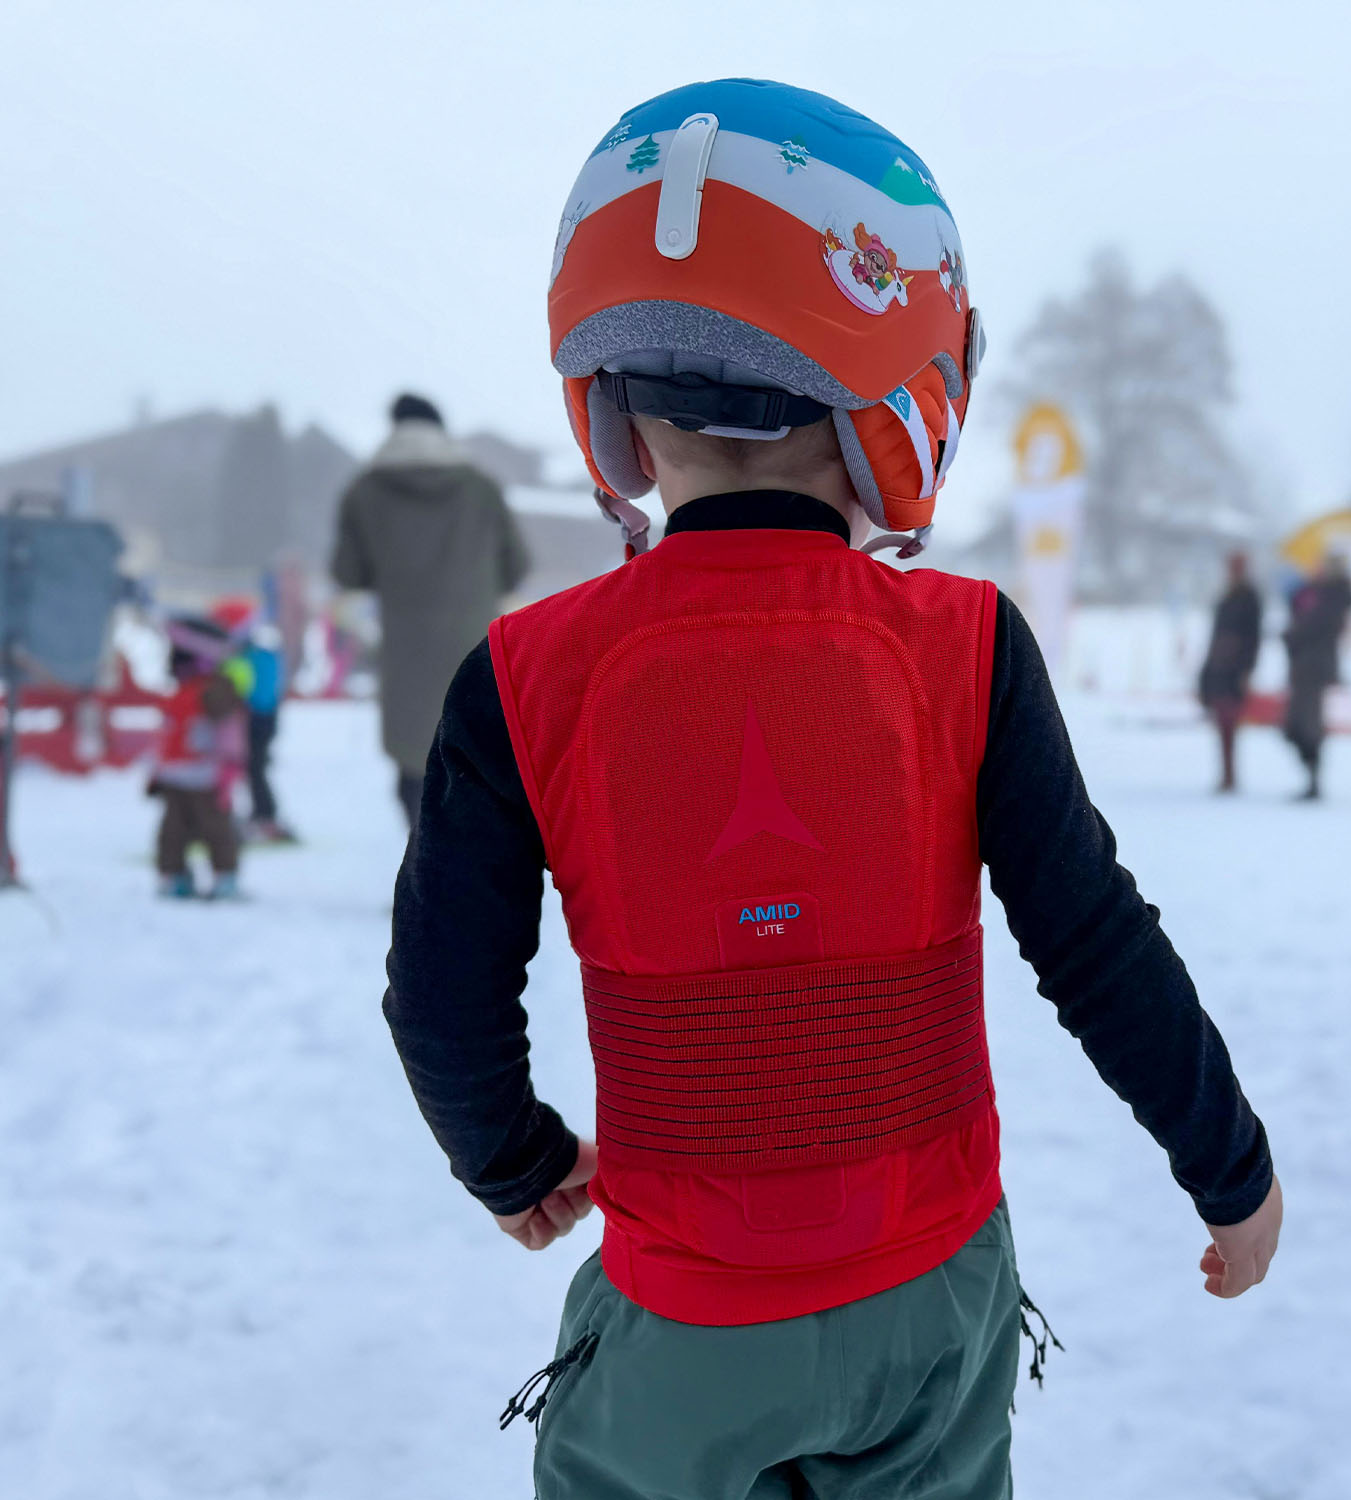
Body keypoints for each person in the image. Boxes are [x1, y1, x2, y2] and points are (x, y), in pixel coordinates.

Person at [381, 80, 1280, 1500]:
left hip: (681, 1318)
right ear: (908, 383)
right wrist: (1228, 1164)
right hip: (927, 1304)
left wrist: (511, 1157)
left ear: (611, 401)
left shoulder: (524, 673)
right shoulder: (965, 648)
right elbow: (1093, 938)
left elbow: (438, 987)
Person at [332, 392, 530, 827]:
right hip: (476, 651)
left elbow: (347, 573)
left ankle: (426, 881)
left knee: (414, 769)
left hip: (406, 656)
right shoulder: (481, 487)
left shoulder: (365, 491)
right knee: (479, 766)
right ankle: (476, 886)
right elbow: (516, 568)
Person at [149, 613, 247, 899]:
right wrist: (156, 771)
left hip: (207, 774)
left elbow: (229, 726)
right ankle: (174, 874)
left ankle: (225, 875)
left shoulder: (214, 689)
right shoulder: (178, 692)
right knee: (172, 832)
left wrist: (230, 766)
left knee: (215, 828)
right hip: (175, 775)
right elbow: (168, 734)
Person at [213, 596, 296, 844]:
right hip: (263, 719)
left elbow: (249, 692)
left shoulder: (246, 657)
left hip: (254, 720)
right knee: (253, 768)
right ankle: (260, 815)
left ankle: (264, 816)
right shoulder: (260, 654)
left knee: (252, 768)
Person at [1280, 552, 1351, 801]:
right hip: (1304, 666)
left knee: (1308, 725)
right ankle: (1311, 777)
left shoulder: (1334, 597)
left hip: (1315, 667)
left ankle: (1314, 781)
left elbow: (1315, 625)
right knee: (1295, 725)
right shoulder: (1317, 593)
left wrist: (1293, 636)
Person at [1197, 551, 1263, 792]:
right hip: (1218, 666)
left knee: (1229, 721)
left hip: (1234, 669)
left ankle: (1230, 776)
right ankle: (1226, 774)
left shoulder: (1250, 597)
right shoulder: (1226, 595)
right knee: (1221, 722)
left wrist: (1247, 669)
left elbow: (1254, 637)